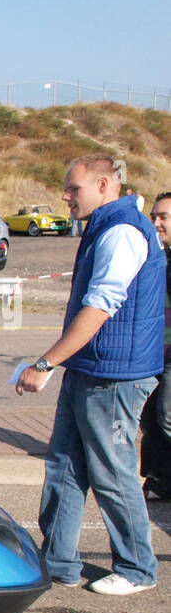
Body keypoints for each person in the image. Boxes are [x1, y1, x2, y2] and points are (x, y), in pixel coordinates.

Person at [16, 155, 166, 595]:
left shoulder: (122, 232)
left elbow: (100, 307)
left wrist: (45, 363)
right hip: (91, 366)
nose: (65, 196)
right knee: (64, 465)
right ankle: (58, 561)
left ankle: (138, 568)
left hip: (115, 375)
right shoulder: (106, 225)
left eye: (73, 188)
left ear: (103, 185)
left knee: (112, 472)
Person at [138, 191, 171, 498]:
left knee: (166, 415)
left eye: (164, 217)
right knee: (150, 418)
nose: (157, 222)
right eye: (155, 216)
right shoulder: (155, 254)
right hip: (153, 352)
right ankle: (159, 478)